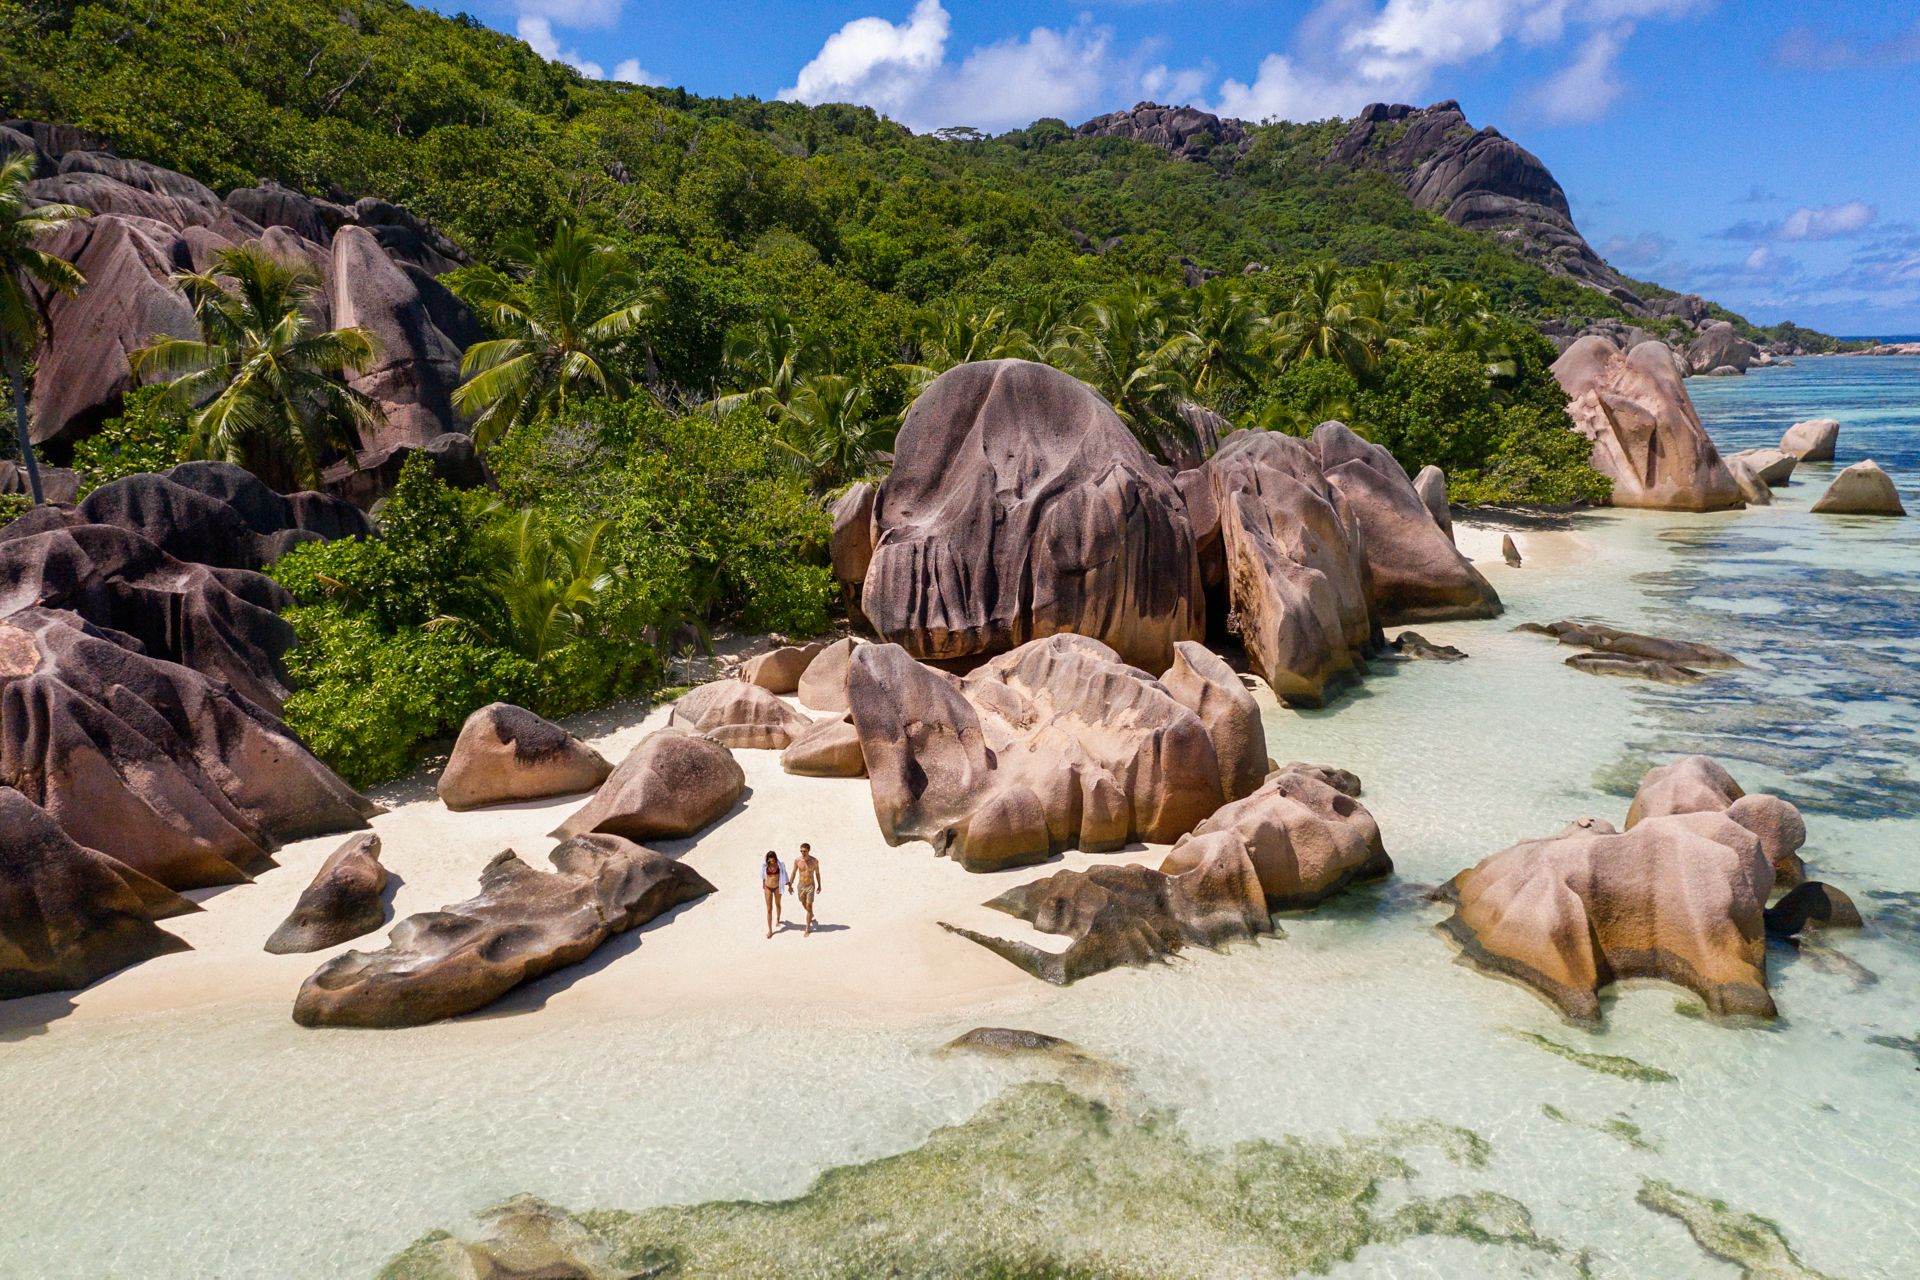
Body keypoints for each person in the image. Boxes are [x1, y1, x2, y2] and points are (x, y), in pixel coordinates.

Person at [791, 842, 823, 935]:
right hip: (801, 885)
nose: (802, 853)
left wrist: (819, 885)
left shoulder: (814, 861)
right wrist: (790, 884)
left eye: (804, 851)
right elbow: (794, 872)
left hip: (810, 885)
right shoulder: (797, 860)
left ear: (808, 850)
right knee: (802, 902)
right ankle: (811, 914)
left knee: (809, 906)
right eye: (801, 851)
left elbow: (817, 873)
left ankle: (807, 928)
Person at [760, 850, 788, 939]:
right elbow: (763, 875)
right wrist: (763, 883)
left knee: (778, 904)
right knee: (769, 909)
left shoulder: (780, 864)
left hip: (777, 887)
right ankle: (770, 930)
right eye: (770, 860)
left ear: (775, 858)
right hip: (768, 887)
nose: (771, 862)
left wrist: (789, 884)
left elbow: (785, 874)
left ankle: (778, 919)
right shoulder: (765, 865)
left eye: (773, 860)